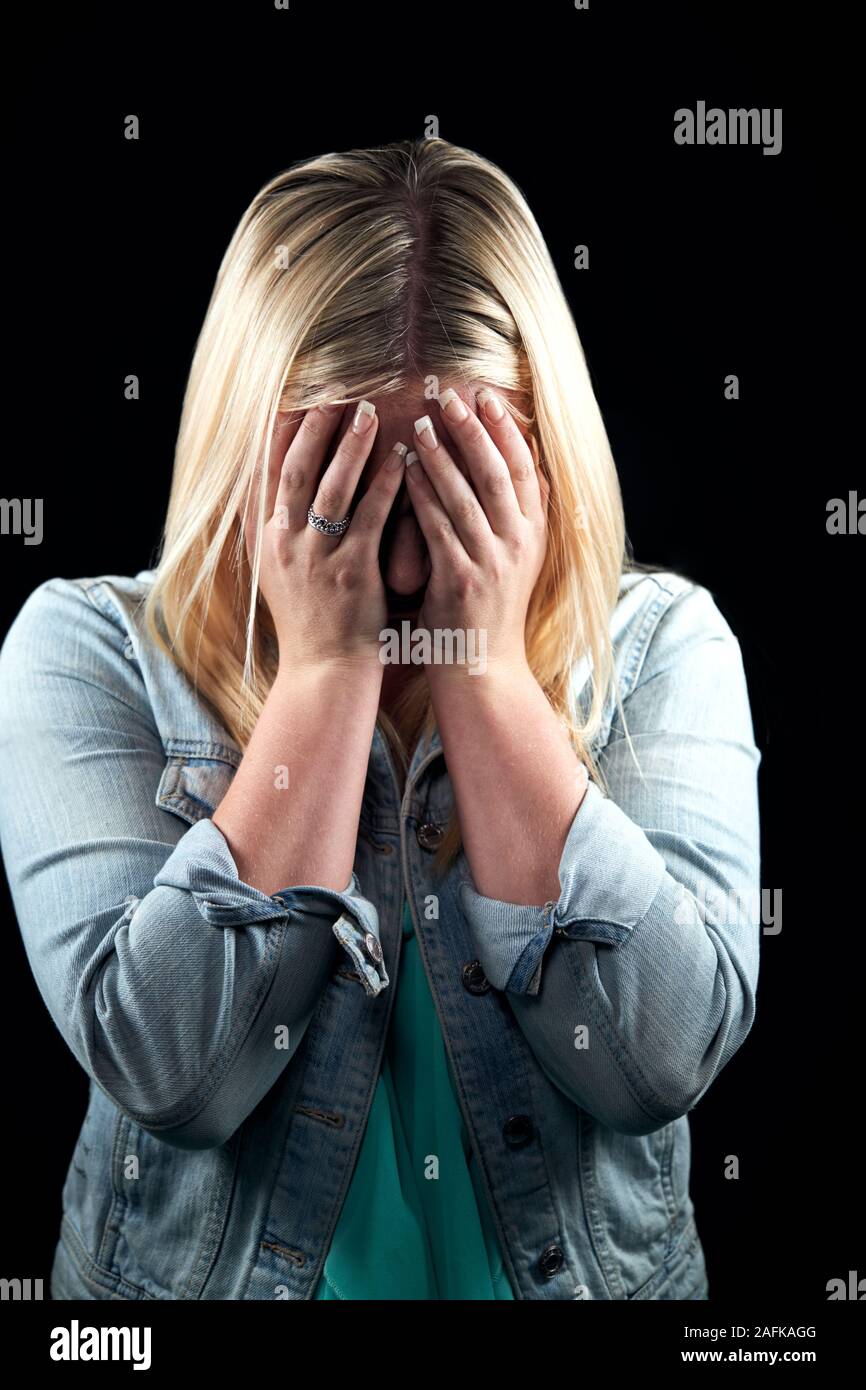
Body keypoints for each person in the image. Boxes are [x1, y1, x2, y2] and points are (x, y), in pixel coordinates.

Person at [0, 138, 760, 1300]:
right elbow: (173, 1076)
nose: (405, 560)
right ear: (244, 452)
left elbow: (654, 1061)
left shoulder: (663, 644)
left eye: (458, 485)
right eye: (347, 489)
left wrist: (491, 675)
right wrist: (322, 675)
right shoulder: (87, 650)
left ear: (544, 456)